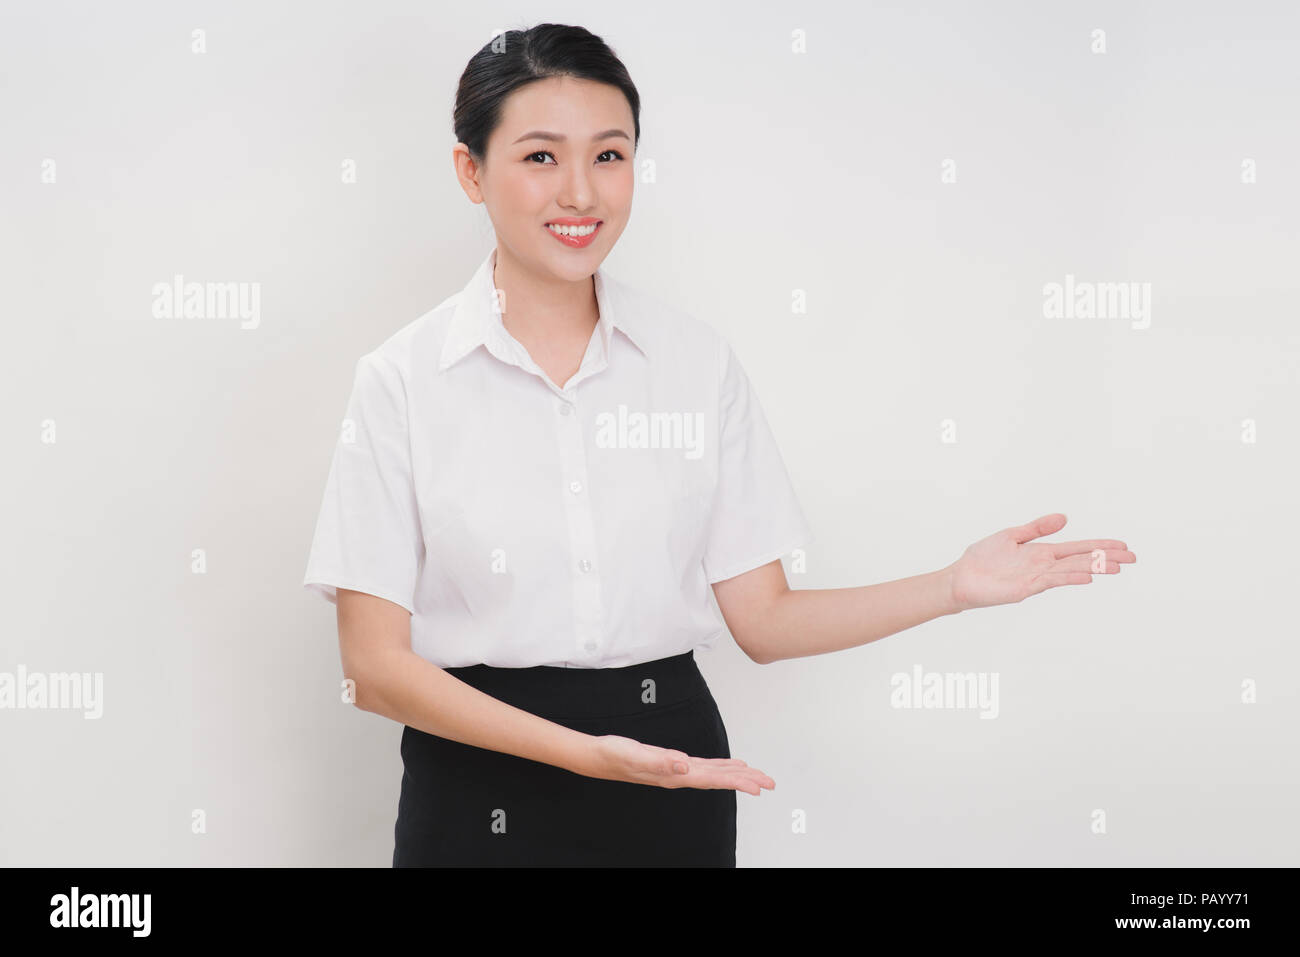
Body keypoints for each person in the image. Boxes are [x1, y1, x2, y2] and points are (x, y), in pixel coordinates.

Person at [301, 23, 1137, 868]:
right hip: (476, 777)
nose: (582, 194)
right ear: (471, 171)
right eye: (541, 157)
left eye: (611, 155)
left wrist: (951, 586)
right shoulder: (401, 380)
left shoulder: (694, 363)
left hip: (672, 772)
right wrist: (586, 751)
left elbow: (764, 620)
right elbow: (374, 668)